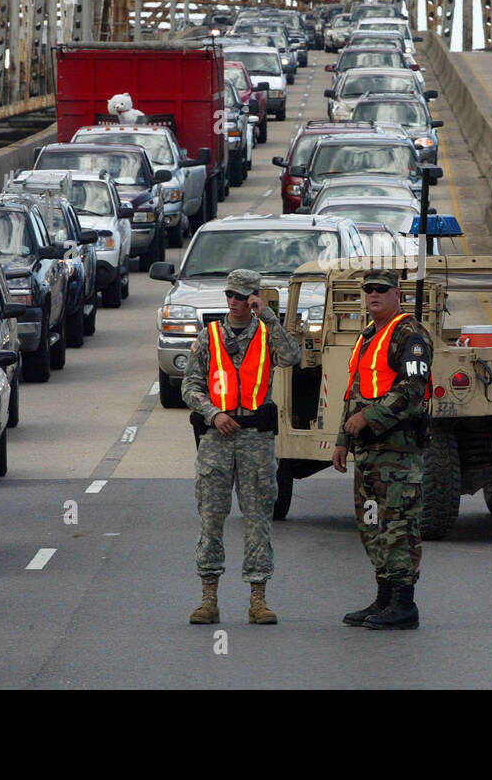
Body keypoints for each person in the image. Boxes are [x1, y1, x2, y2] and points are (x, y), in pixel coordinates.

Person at [181, 269, 303, 624]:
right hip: (218, 438)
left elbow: (293, 356)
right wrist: (213, 413)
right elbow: (190, 386)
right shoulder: (210, 337)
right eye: (230, 295)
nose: (234, 303)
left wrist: (267, 314)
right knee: (211, 519)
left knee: (258, 520)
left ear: (253, 298)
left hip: (255, 440)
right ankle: (209, 599)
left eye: (242, 296)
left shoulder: (266, 333)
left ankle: (258, 599)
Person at [331, 268, 433, 630]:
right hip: (368, 452)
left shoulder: (410, 334)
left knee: (399, 526)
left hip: (397, 453)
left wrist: (369, 418)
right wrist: (343, 439)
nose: (373, 295)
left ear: (396, 294)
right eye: (369, 290)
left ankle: (405, 604)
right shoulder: (368, 335)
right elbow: (353, 392)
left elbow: (412, 389)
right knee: (372, 526)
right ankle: (384, 597)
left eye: (381, 290)